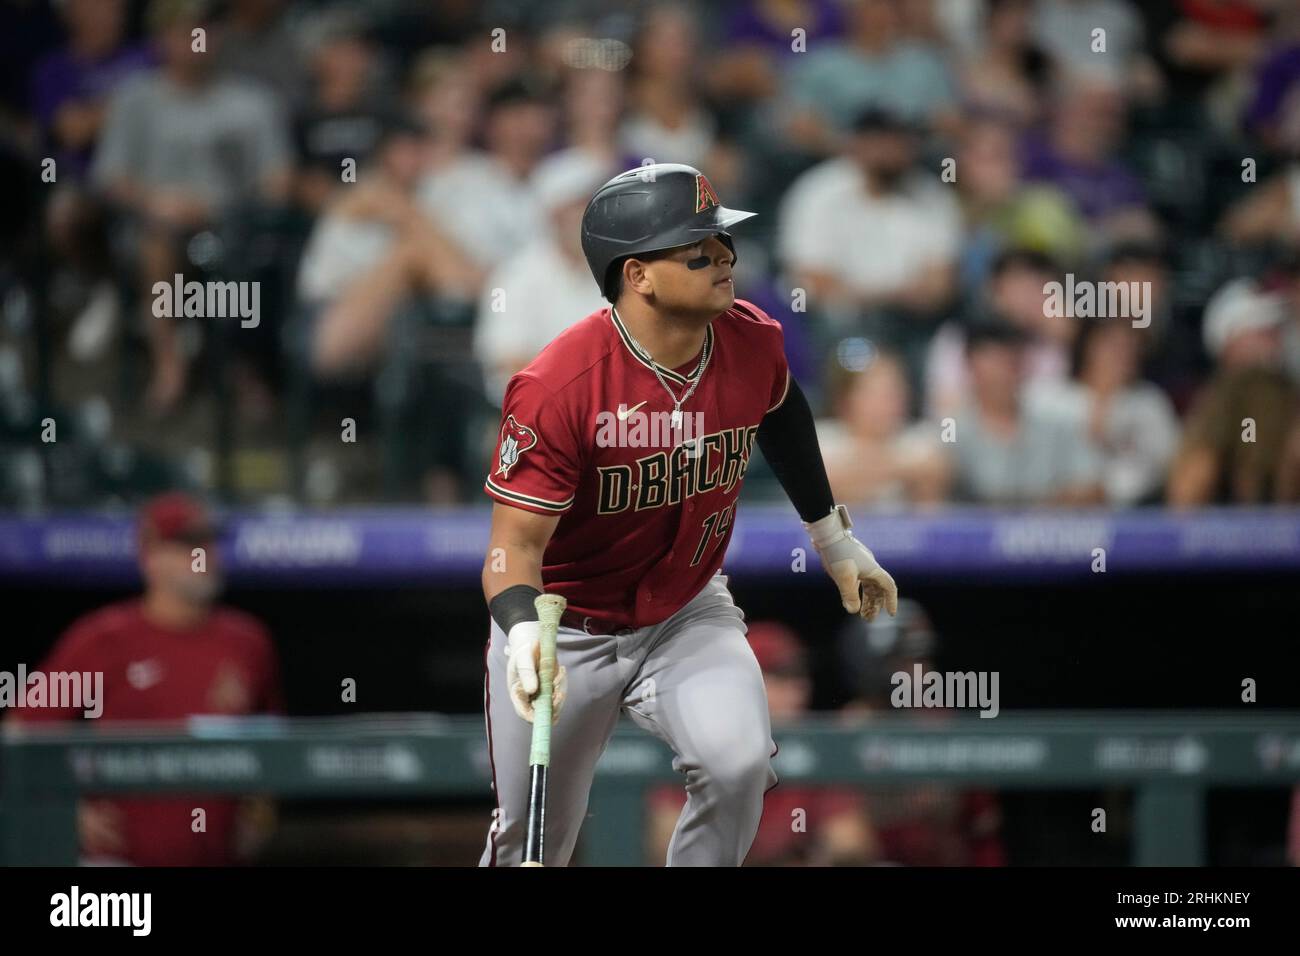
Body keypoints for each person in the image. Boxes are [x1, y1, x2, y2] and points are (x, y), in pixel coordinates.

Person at [479, 163, 898, 867]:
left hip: (685, 609)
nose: (725, 259)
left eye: (724, 243)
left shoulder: (752, 340)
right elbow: (510, 548)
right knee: (532, 840)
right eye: (697, 250)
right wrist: (521, 633)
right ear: (638, 275)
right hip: (566, 629)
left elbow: (784, 412)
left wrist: (835, 540)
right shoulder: (558, 386)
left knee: (736, 765)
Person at [5, 492, 284, 865]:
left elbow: (274, 744)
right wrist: (67, 812)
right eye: (188, 544)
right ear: (149, 556)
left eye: (209, 542)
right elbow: (18, 734)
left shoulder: (248, 642)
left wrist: (262, 814)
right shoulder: (105, 638)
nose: (205, 555)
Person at [646, 621, 877, 866]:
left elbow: (849, 844)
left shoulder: (815, 748)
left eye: (800, 676)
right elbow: (668, 846)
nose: (798, 689)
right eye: (781, 676)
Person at [949, 317, 1104, 506]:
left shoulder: (1057, 419)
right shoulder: (951, 424)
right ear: (969, 365)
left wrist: (1042, 510)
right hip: (976, 530)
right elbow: (935, 460)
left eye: (1011, 361)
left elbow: (1091, 483)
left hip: (1049, 528)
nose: (1003, 372)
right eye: (993, 360)